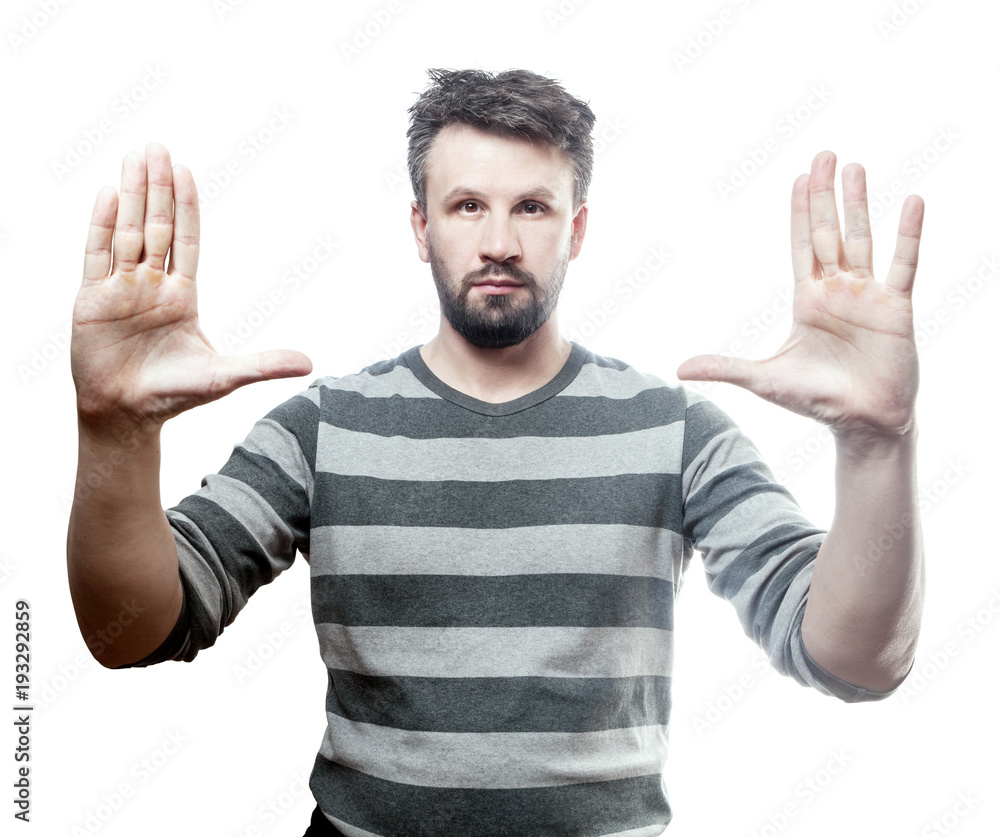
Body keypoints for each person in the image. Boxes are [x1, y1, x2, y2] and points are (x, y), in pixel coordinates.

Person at [67, 69, 924, 836]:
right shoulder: (324, 427)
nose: (500, 241)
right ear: (420, 224)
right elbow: (138, 631)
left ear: (578, 227)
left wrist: (876, 443)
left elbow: (854, 658)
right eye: (468, 204)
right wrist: (116, 431)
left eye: (533, 207)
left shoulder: (674, 431)